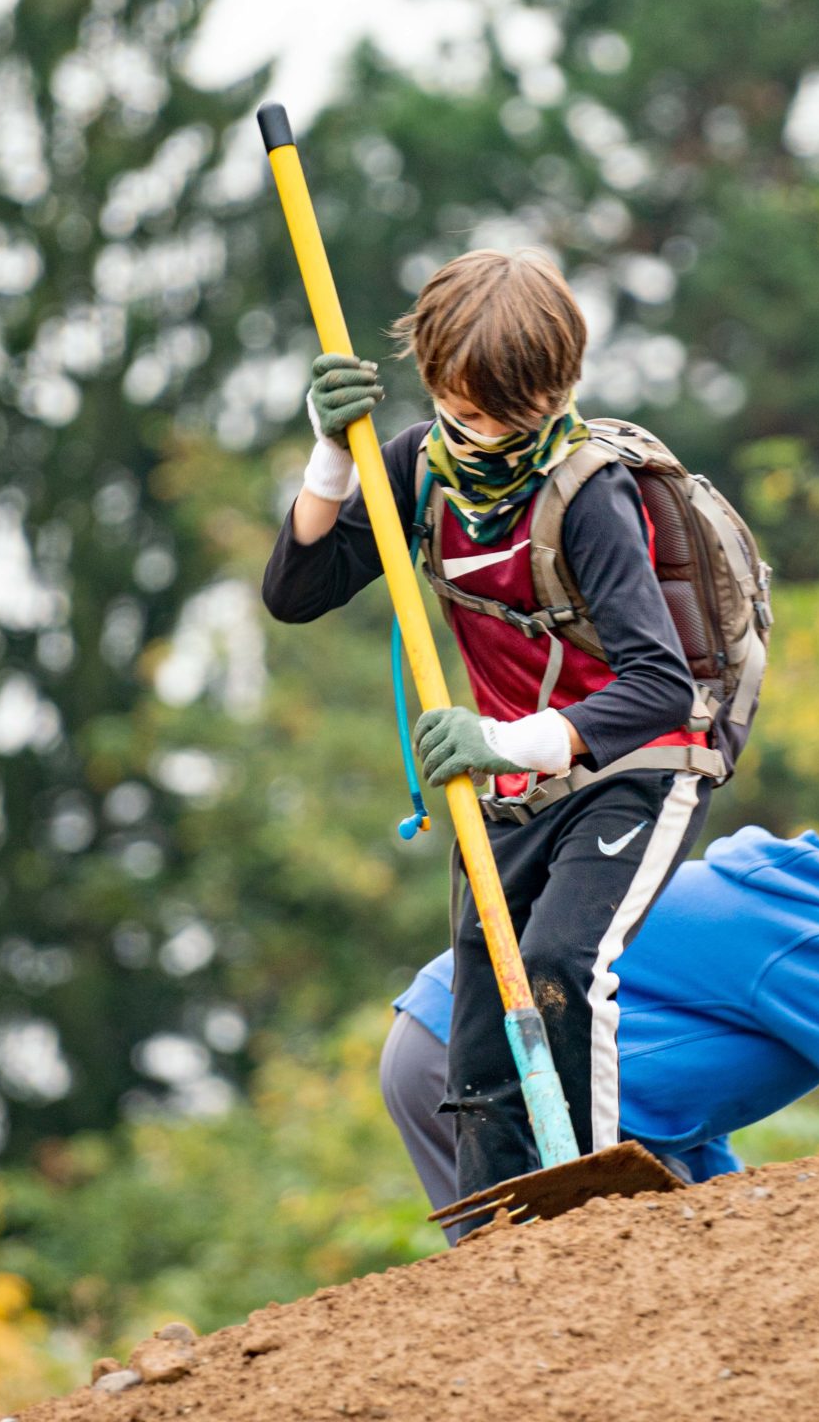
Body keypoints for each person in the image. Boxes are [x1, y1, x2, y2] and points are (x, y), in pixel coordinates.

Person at [263, 249, 724, 1205]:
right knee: (478, 1033)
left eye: (512, 418)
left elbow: (660, 686)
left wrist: (505, 740)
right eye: (465, 412)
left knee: (558, 966)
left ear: (558, 391)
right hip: (514, 792)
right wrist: (329, 457)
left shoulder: (590, 493)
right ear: (435, 382)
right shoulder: (418, 468)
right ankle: (499, 1249)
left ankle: (601, 1206)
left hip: (635, 769)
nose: (487, 437)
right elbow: (296, 593)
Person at [381, 742, 819, 1227]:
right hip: (483, 1052)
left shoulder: (796, 905)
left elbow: (684, 1096)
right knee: (543, 1296)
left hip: (514, 1065)